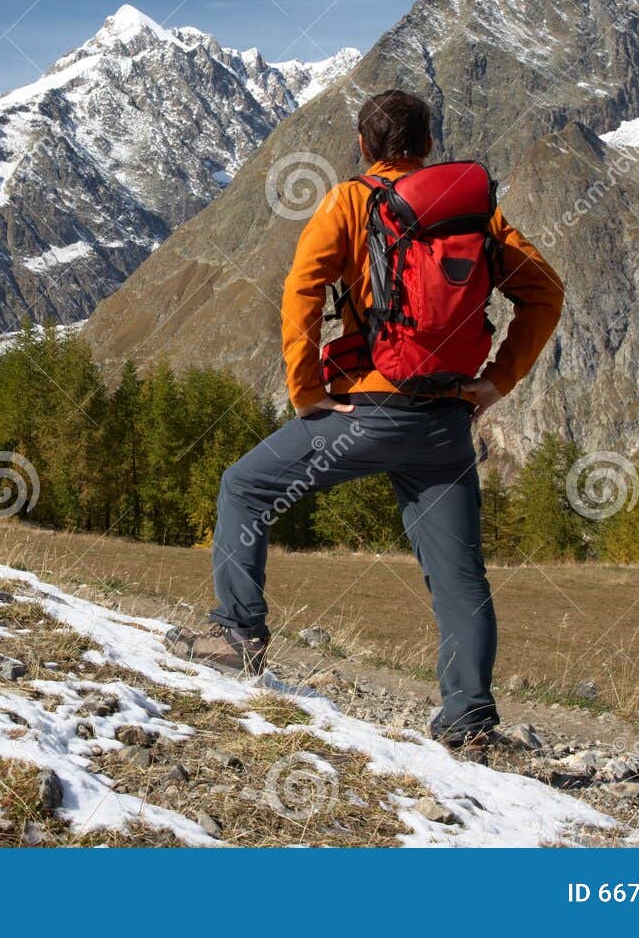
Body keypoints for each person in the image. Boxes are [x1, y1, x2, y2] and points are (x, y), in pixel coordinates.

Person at [167, 89, 564, 747]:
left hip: (366, 411)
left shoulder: (351, 201)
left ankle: (237, 632)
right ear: (429, 145)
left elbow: (302, 288)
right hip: (446, 422)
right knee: (460, 574)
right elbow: (544, 292)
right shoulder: (473, 212)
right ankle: (468, 718)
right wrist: (495, 382)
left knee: (245, 485)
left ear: (362, 145)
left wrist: (306, 390)